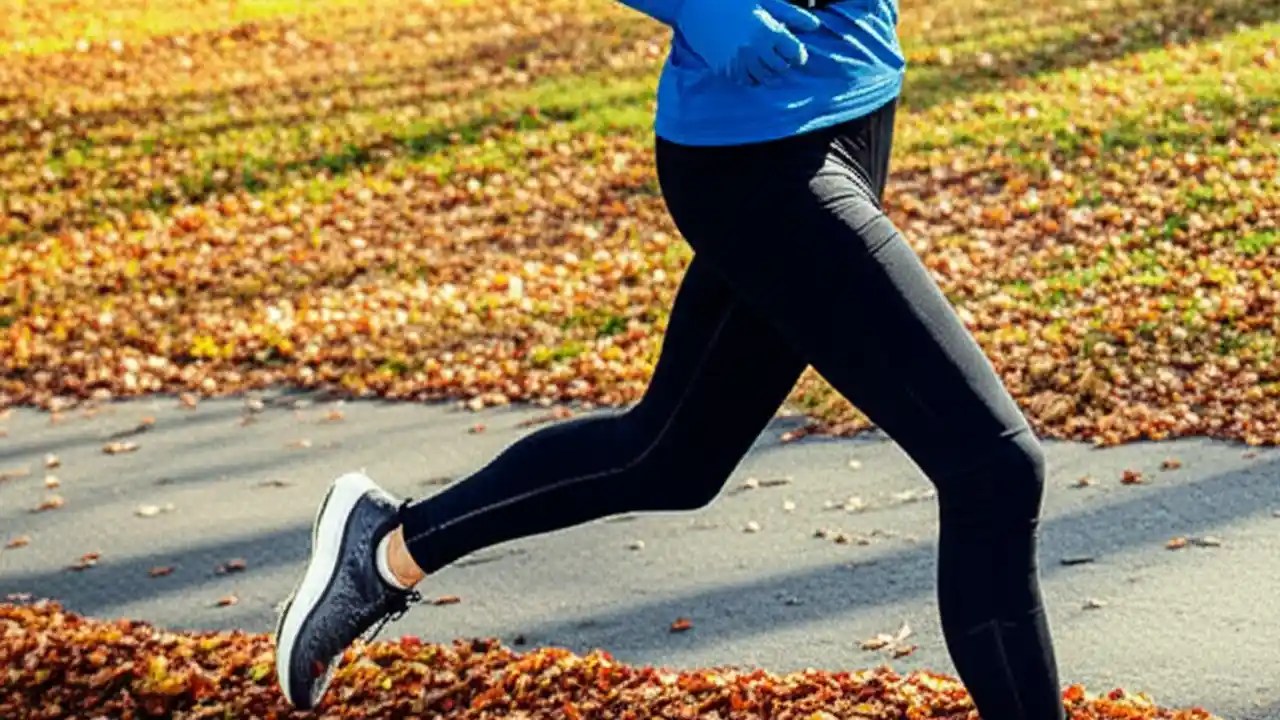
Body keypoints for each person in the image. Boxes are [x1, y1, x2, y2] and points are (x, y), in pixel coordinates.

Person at [273, 0, 1067, 717]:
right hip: (759, 154)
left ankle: (386, 552)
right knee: (993, 471)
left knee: (672, 458)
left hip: (851, 110)